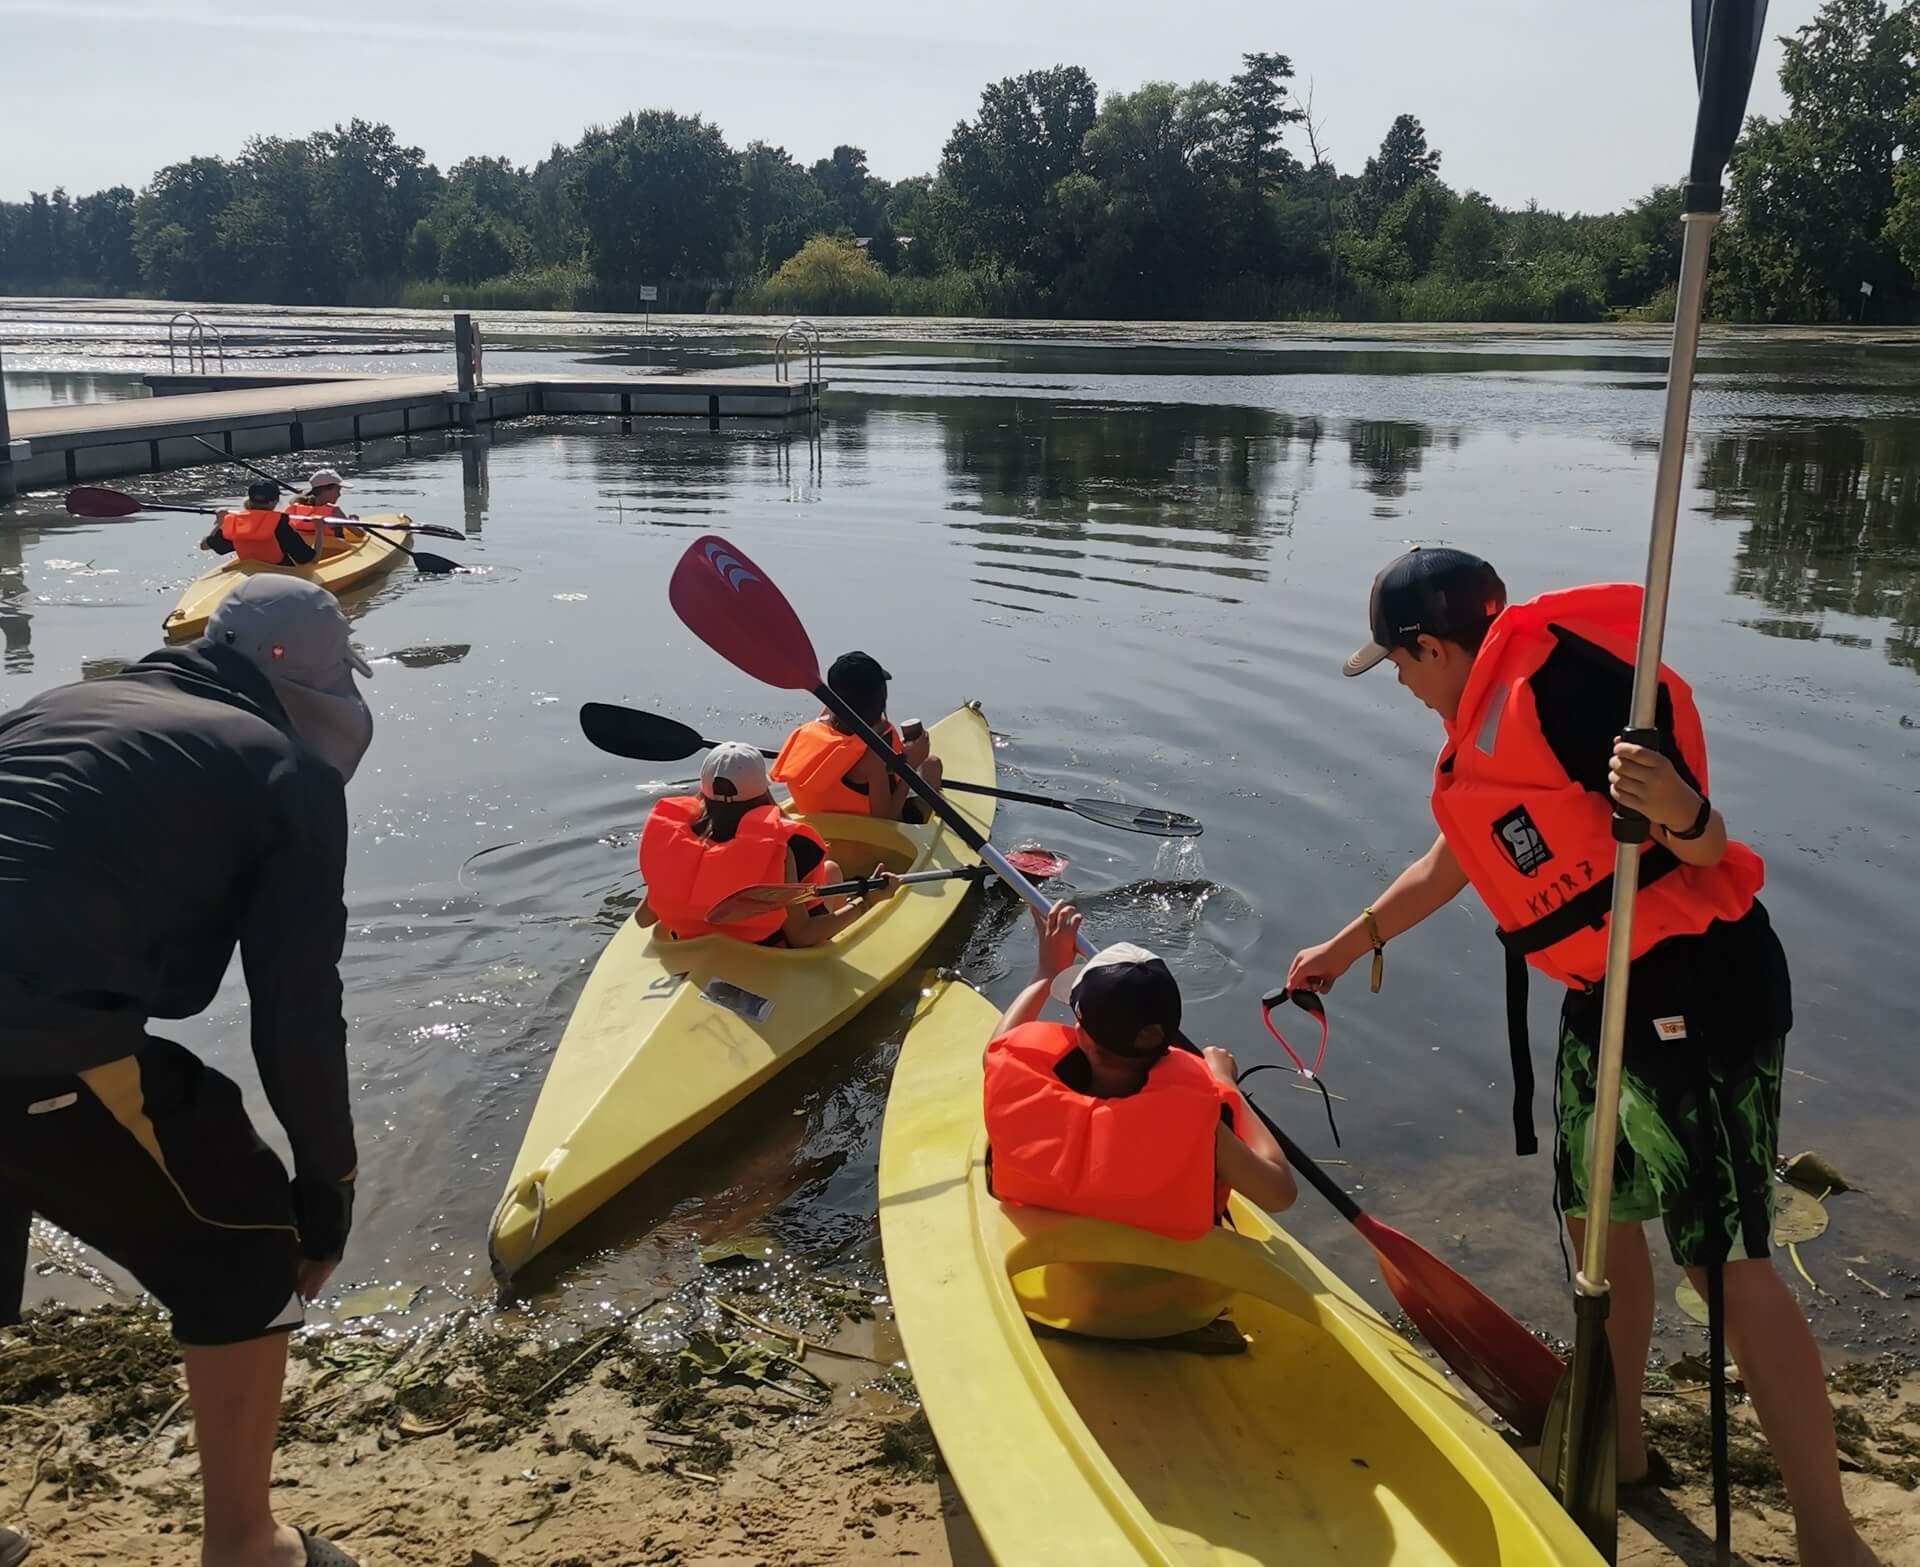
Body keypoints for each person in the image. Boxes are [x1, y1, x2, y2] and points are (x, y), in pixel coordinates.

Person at [1287, 546, 1875, 1567]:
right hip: (1601, 995)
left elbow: (1698, 840)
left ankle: (1831, 1537)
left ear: (1432, 646)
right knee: (1597, 1228)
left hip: (1702, 989)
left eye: (1400, 664)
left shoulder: (1565, 686)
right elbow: (1458, 856)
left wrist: (1684, 812)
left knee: (1723, 1263)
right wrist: (1344, 948)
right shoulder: (1480, 721)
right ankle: (1622, 1451)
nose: (1402, 685)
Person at [0, 575, 373, 1567]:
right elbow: (296, 1010)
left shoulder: (56, 706)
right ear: (319, 691)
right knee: (244, 1242)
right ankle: (250, 1546)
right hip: (30, 1038)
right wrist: (324, 1186)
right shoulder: (287, 770)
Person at [985, 903, 1296, 1235]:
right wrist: (1225, 1084)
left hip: (1047, 1241)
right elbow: (1279, 1194)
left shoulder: (1018, 1076)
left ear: (1083, 1037)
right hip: (1160, 1266)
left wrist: (1046, 973)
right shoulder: (1196, 1120)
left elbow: (998, 1047)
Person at [633, 742, 898, 949]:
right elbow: (802, 937)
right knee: (830, 871)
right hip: (764, 955)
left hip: (688, 947)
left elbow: (643, 919)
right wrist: (867, 901)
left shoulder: (677, 837)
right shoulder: (778, 849)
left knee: (826, 873)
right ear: (763, 791)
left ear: (703, 789)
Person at [771, 651, 943, 822]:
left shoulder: (809, 730)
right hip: (870, 830)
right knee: (932, 765)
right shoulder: (873, 755)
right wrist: (911, 766)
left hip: (819, 822)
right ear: (880, 697)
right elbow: (886, 819)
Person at [199, 479, 323, 569]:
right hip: (281, 578)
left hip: (250, 574)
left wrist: (220, 523)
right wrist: (319, 529)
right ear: (275, 501)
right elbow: (310, 560)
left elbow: (204, 546)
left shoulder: (236, 522)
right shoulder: (280, 524)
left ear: (250, 499)